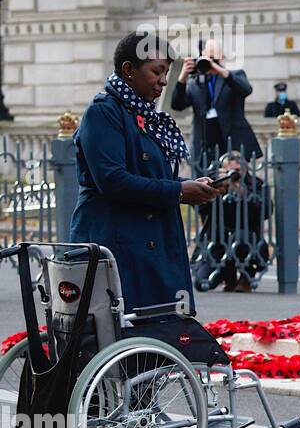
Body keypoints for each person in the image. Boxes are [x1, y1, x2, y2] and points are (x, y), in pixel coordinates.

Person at [71, 32, 222, 314]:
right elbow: (113, 180)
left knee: (160, 335)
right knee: (122, 338)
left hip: (150, 246)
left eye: (166, 72)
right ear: (129, 70)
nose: (164, 81)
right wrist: (178, 191)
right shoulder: (103, 112)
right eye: (157, 72)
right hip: (118, 247)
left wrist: (188, 186)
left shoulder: (145, 117)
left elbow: (148, 175)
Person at [171, 40, 261, 169]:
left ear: (222, 57)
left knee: (234, 184)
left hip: (230, 144)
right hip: (203, 146)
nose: (210, 62)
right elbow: (177, 105)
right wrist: (183, 76)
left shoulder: (234, 76)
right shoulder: (195, 82)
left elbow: (246, 89)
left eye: (213, 58)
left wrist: (218, 70)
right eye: (207, 58)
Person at [191, 151, 272, 293]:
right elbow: (200, 209)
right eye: (230, 170)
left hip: (246, 239)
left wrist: (244, 195)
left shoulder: (256, 184)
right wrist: (215, 189)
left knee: (240, 238)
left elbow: (265, 211)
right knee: (201, 283)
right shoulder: (216, 182)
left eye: (237, 170)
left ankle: (247, 276)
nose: (234, 174)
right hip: (217, 239)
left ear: (245, 169)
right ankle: (227, 275)